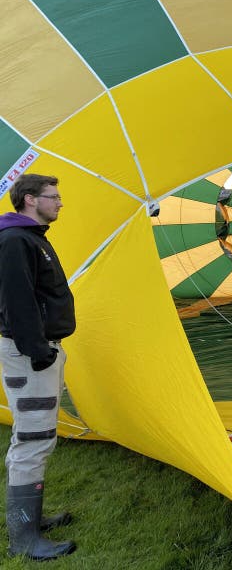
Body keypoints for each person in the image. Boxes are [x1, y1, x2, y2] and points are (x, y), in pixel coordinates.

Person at [0, 174, 76, 560]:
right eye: (54, 196)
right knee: (33, 439)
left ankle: (31, 518)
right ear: (30, 199)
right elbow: (17, 301)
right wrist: (37, 351)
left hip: (38, 351)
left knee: (37, 435)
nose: (60, 202)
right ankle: (24, 537)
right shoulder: (15, 240)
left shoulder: (30, 238)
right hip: (31, 354)